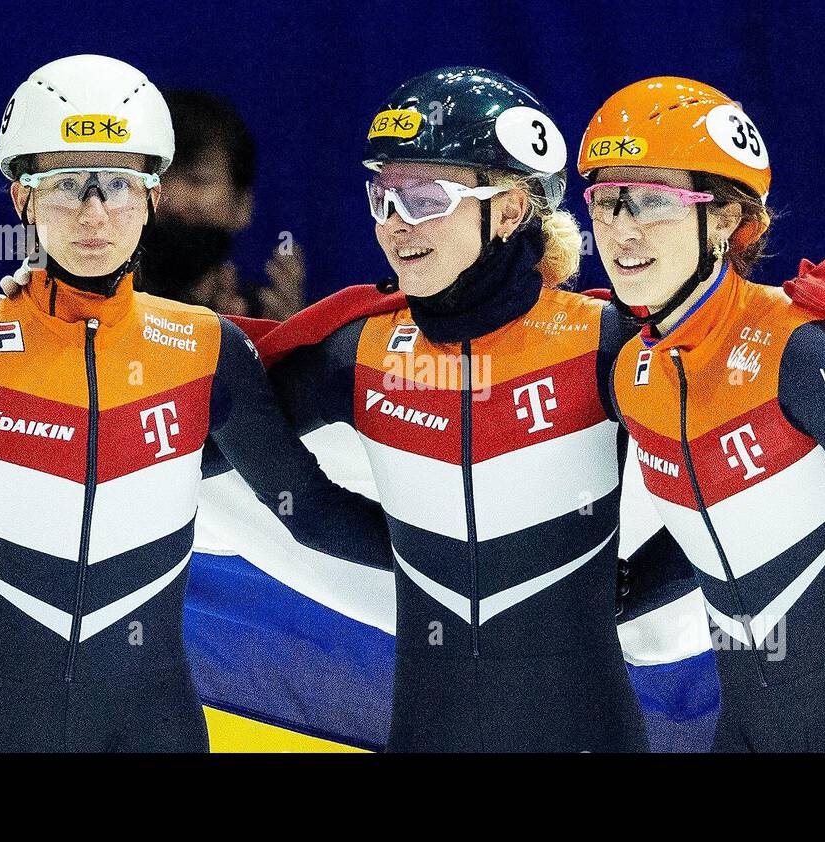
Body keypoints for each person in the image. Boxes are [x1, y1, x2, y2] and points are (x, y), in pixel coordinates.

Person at [0, 54, 391, 753]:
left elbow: (311, 514)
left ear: (152, 197)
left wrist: (470, 559)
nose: (93, 213)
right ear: (22, 197)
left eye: (118, 184)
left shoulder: (209, 351)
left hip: (156, 729)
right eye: (66, 185)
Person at [248, 67, 693, 751]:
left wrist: (629, 588)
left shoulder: (608, 347)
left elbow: (740, 505)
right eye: (383, 197)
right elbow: (266, 483)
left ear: (512, 210)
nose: (397, 224)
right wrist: (55, 318)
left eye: (425, 197)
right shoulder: (355, 351)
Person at [580, 76, 825, 752]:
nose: (622, 227)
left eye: (653, 199)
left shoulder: (802, 347)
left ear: (729, 222)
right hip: (750, 729)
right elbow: (727, 533)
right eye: (606, 199)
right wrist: (604, 593)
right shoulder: (632, 370)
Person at [137, 89, 305, 319]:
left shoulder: (264, 318)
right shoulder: (94, 313)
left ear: (242, 205)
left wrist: (285, 346)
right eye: (157, 177)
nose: (173, 200)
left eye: (197, 179)